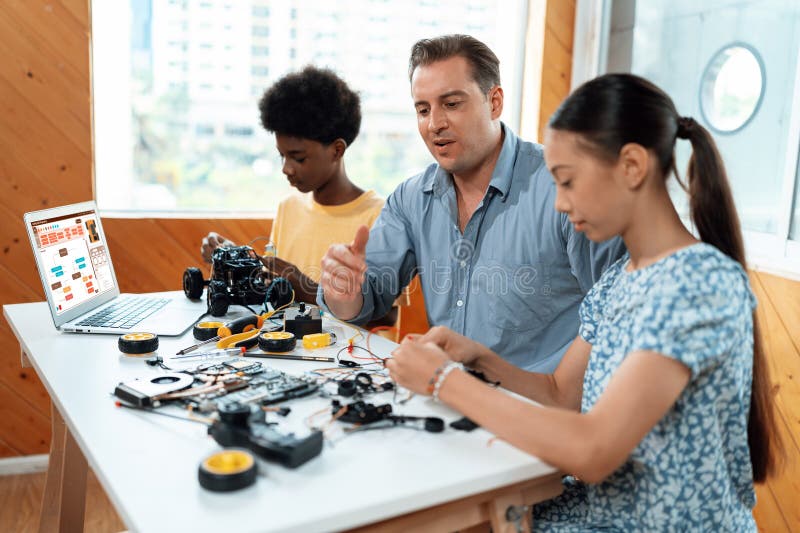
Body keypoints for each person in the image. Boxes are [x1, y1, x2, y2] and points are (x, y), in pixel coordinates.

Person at [386, 73, 782, 531]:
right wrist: (483, 361)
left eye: (567, 181)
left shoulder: (697, 285)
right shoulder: (620, 278)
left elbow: (593, 452)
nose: (558, 204)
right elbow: (561, 395)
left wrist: (444, 381)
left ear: (632, 166)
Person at [318, 35, 624, 372]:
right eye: (423, 109)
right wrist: (344, 294)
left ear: (494, 103)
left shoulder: (563, 188)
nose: (435, 124)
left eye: (451, 104)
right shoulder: (410, 199)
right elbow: (367, 300)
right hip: (448, 398)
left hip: (542, 412)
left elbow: (620, 318)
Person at [201, 66, 384, 305]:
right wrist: (236, 259)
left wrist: (302, 285)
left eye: (298, 158)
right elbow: (270, 285)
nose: (286, 168)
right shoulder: (289, 207)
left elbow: (386, 315)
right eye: (282, 156)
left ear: (337, 150)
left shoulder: (378, 215)